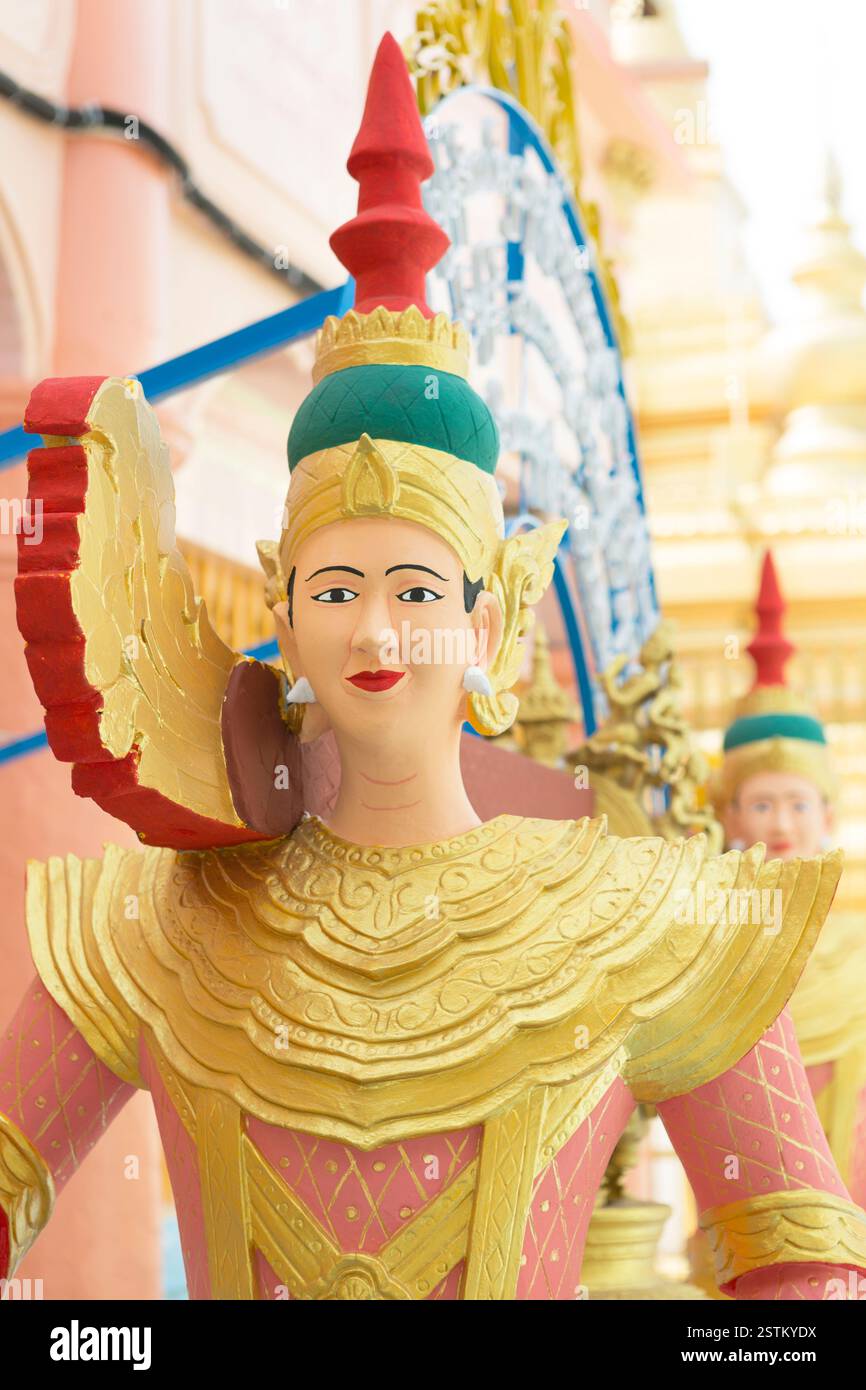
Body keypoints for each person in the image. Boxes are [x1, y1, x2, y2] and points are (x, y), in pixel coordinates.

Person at [2, 35, 865, 1301]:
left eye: (416, 593)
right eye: (336, 591)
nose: (375, 634)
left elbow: (800, 1278)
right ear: (281, 611)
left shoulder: (653, 922)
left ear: (494, 623)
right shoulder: (156, 925)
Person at [712, 549, 866, 1209]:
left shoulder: (858, 949)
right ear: (728, 816)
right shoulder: (714, 947)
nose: (782, 824)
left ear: (828, 815)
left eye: (798, 805)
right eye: (763, 804)